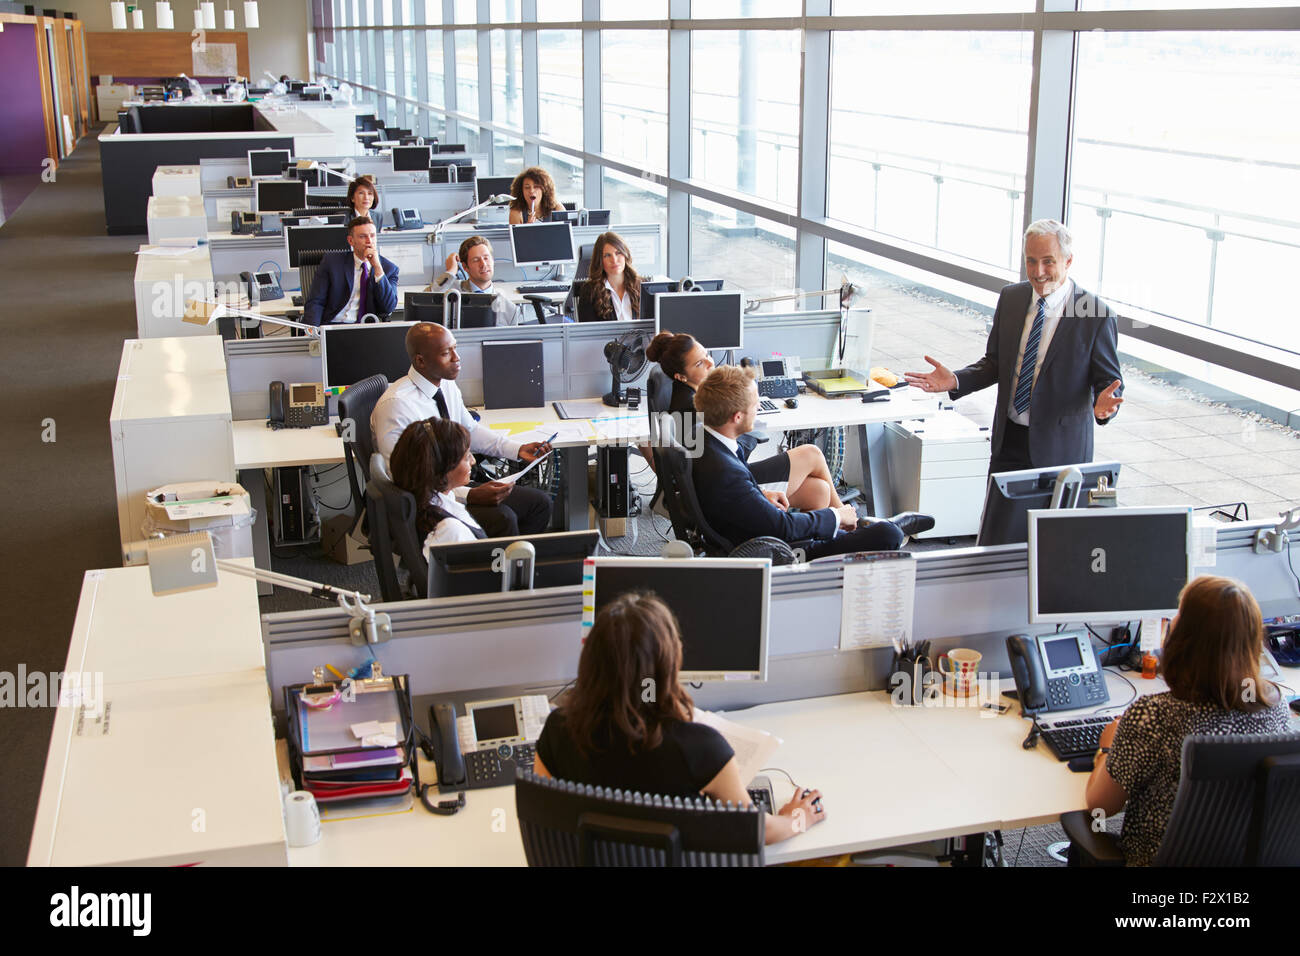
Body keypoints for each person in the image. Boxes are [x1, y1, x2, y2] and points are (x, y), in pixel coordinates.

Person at [533, 591, 826, 845]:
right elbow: (756, 831)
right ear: (669, 665)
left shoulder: (557, 730)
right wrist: (798, 818)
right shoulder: (699, 748)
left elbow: (543, 817)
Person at [1084, 576, 1292, 866]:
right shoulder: (1276, 708)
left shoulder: (1154, 717)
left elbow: (1100, 807)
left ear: (1181, 641)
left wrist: (1107, 748)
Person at [903, 219, 1124, 474]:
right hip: (1008, 443)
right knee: (998, 515)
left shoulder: (1095, 315)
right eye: (1031, 260)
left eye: (1048, 261)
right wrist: (956, 380)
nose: (1038, 271)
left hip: (1060, 451)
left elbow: (1109, 383)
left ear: (1068, 261)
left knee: (1047, 516)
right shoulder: (1012, 298)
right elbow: (996, 362)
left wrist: (1104, 408)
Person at [690, 365, 932, 556]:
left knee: (818, 490)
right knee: (887, 534)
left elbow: (734, 495)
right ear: (737, 416)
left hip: (750, 524)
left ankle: (854, 527)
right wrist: (836, 516)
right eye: (755, 405)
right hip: (774, 549)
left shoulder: (711, 441)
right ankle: (876, 526)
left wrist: (760, 494)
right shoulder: (725, 470)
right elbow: (782, 528)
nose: (758, 410)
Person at [371, 322, 554, 537]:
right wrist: (469, 495)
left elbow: (469, 430)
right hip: (428, 501)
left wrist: (517, 449)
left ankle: (515, 563)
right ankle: (493, 566)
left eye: (455, 348)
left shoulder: (445, 384)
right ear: (420, 361)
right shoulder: (397, 405)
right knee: (504, 518)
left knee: (539, 504)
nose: (457, 358)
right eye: (446, 353)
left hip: (454, 481)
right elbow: (409, 478)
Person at [647, 331, 852, 514]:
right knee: (811, 454)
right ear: (681, 376)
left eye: (707, 355)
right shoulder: (692, 410)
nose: (711, 363)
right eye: (699, 363)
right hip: (727, 487)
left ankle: (810, 542)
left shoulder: (692, 396)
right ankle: (847, 521)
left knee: (818, 491)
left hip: (728, 474)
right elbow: (716, 463)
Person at [389, 417, 486, 547]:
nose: (473, 461)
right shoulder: (450, 531)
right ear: (442, 468)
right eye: (466, 456)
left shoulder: (432, 499)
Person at [302, 216, 399, 326]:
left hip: (365, 329)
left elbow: (388, 307)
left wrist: (377, 267)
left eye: (372, 236)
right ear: (351, 241)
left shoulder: (389, 269)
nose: (369, 241)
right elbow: (316, 301)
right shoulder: (332, 262)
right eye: (363, 236)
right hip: (332, 325)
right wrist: (312, 331)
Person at [429, 235, 523, 326]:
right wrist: (451, 270)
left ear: (492, 260)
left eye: (486, 258)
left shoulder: (510, 310)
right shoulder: (452, 292)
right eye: (476, 260)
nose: (483, 264)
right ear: (465, 267)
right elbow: (427, 298)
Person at [577, 231, 640, 322]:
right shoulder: (590, 292)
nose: (614, 260)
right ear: (600, 260)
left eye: (618, 253)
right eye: (607, 255)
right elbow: (588, 333)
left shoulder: (641, 287)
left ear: (625, 255)